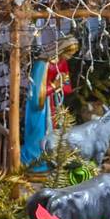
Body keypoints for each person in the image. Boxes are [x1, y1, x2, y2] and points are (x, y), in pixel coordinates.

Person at [21, 36, 79, 170]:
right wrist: (55, 85)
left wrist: (60, 85)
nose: (70, 57)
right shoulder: (42, 63)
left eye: (72, 54)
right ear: (61, 49)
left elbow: (66, 86)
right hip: (39, 106)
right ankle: (36, 163)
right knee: (39, 132)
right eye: (69, 53)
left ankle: (50, 160)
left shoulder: (63, 63)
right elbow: (36, 92)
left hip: (54, 102)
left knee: (54, 131)